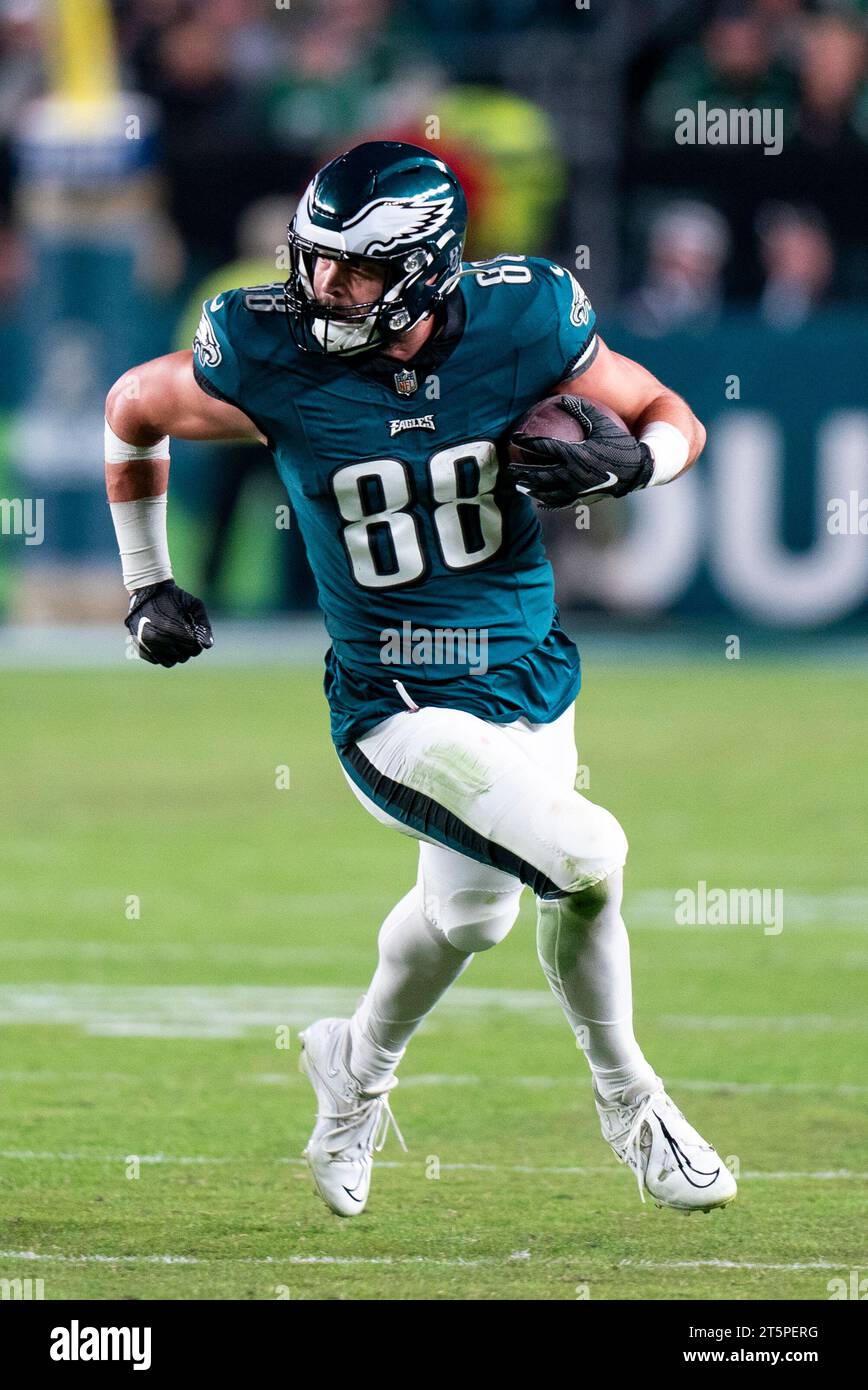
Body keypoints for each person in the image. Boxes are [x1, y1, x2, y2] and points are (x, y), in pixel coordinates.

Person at [104, 140, 735, 1219]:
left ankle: (351, 1068)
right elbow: (133, 406)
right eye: (314, 260)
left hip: (531, 669)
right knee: (588, 855)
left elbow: (672, 413)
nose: (322, 288)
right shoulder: (265, 348)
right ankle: (634, 1104)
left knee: (472, 918)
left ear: (426, 270)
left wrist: (638, 464)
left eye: (352, 272)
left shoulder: (523, 318)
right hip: (394, 702)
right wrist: (144, 582)